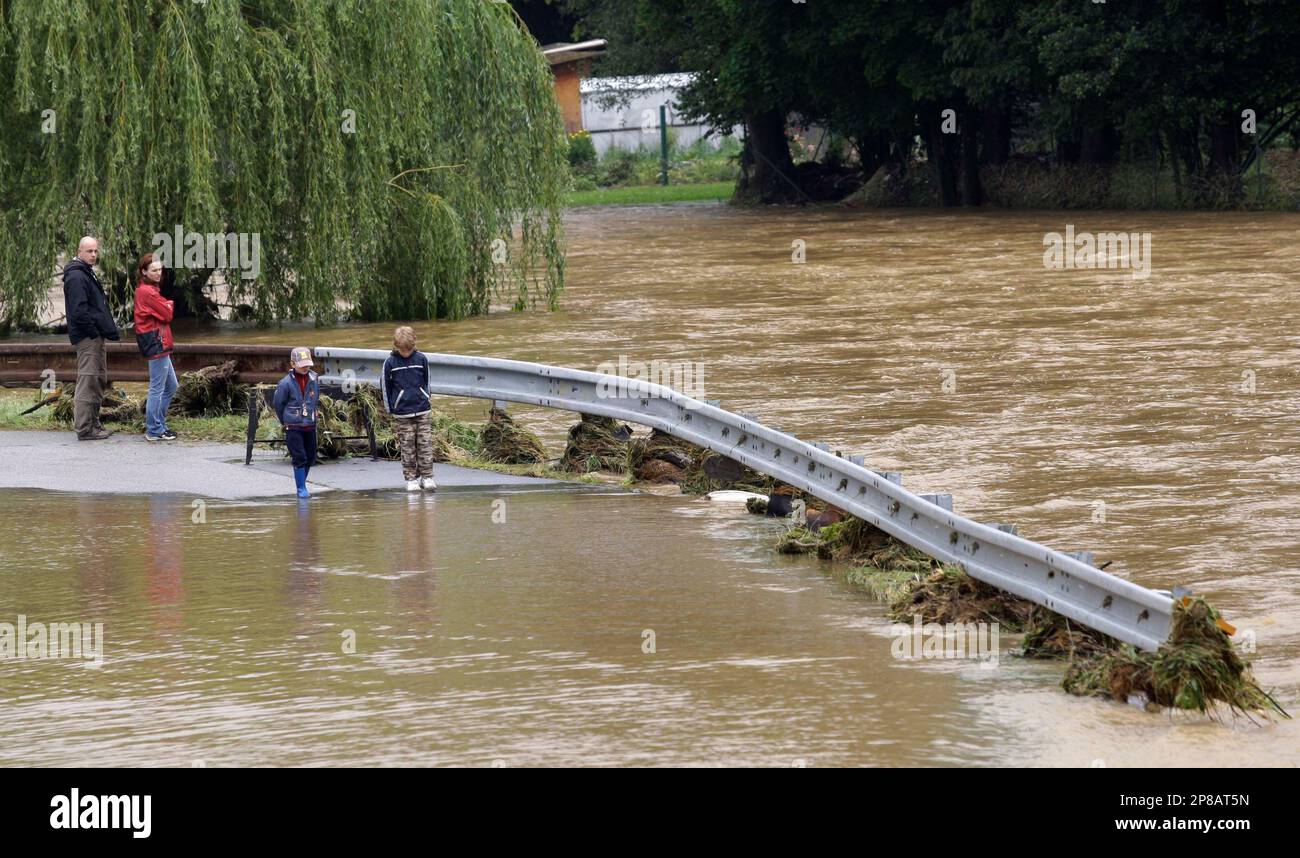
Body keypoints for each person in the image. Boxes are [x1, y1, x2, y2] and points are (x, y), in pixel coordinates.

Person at [62, 236, 121, 440]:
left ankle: (94, 424)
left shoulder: (85, 273)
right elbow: (79, 311)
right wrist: (93, 331)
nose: (94, 255)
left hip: (94, 336)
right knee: (88, 381)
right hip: (88, 338)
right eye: (89, 251)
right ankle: (85, 429)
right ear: (79, 251)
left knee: (98, 380)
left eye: (96, 251)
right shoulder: (77, 276)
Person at [380, 326, 436, 492]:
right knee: (407, 446)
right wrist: (390, 408)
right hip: (402, 413)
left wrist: (426, 397)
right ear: (396, 346)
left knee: (425, 445)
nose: (406, 353)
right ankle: (411, 478)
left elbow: (427, 380)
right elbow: (385, 386)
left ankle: (427, 476)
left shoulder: (421, 359)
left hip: (422, 410)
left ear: (414, 345)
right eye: (403, 350)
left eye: (409, 349)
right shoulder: (390, 363)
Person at [132, 253, 178, 441]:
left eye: (160, 270)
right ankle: (154, 429)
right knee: (158, 388)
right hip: (156, 343)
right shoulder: (148, 292)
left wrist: (165, 305)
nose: (159, 273)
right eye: (154, 270)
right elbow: (167, 315)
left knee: (171, 386)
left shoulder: (149, 290)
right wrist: (168, 304)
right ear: (144, 271)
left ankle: (159, 424)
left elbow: (163, 313)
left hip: (159, 342)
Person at [272, 347, 320, 499]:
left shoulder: (313, 379)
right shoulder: (285, 383)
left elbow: (315, 398)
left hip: (310, 423)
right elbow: (278, 403)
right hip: (293, 425)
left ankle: (302, 482)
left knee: (311, 455)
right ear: (293, 364)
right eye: (302, 365)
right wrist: (285, 420)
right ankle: (301, 488)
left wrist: (315, 411)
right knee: (299, 457)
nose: (306, 368)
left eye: (308, 364)